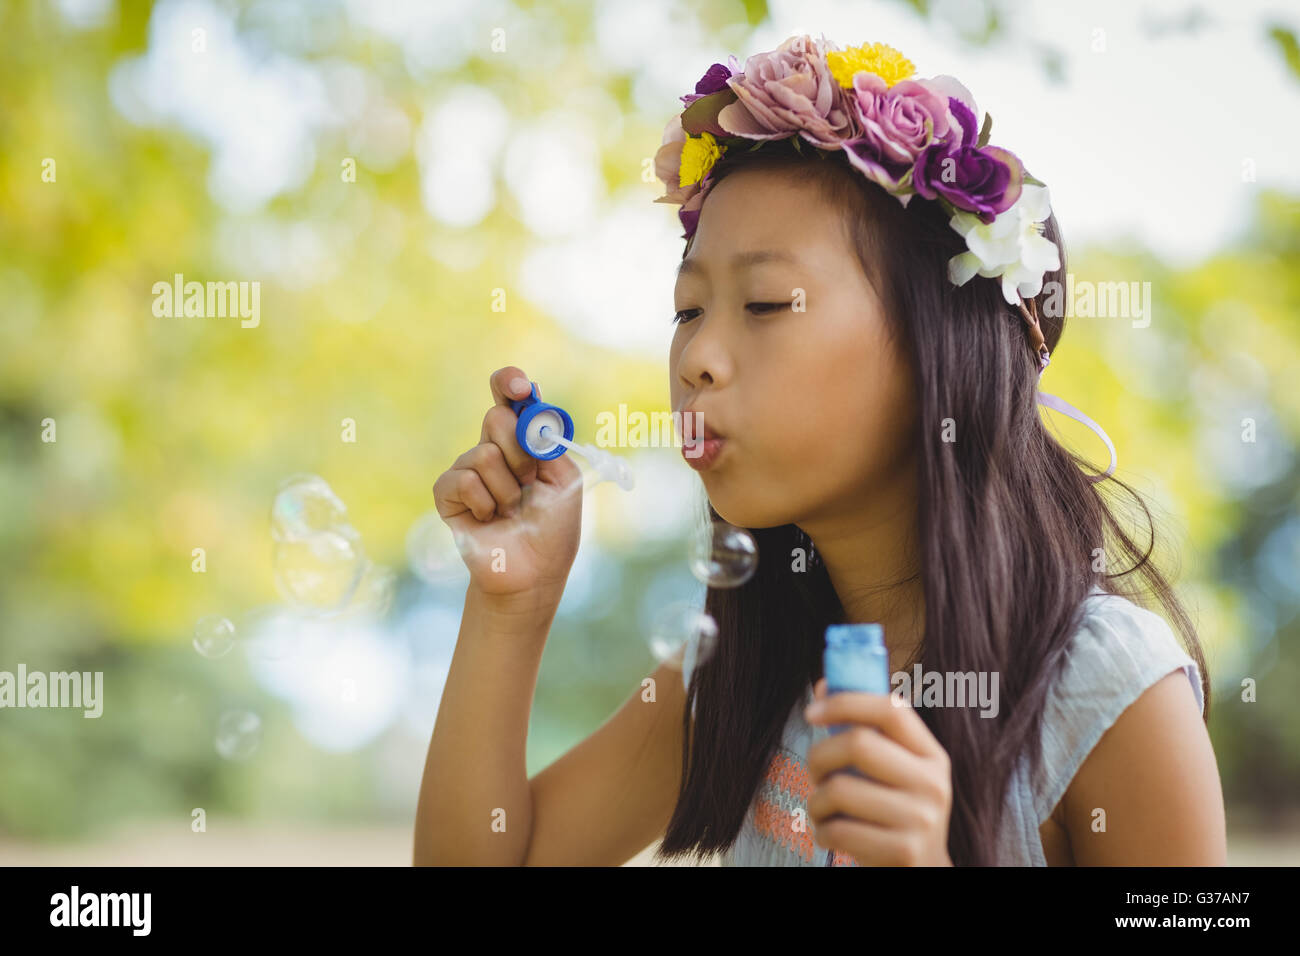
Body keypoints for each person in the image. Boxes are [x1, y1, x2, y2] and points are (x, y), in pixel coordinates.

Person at [413, 34, 1224, 867]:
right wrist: (511, 608)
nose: (697, 359)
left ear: (937, 349)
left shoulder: (1103, 690)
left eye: (765, 303)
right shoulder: (737, 674)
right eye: (688, 310)